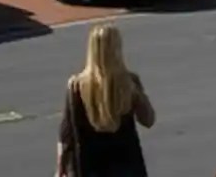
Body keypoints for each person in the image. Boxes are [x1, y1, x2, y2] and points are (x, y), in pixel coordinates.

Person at [57, 23, 154, 177]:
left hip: (89, 167)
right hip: (126, 165)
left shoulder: (76, 86)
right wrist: (137, 94)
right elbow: (148, 120)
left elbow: (66, 134)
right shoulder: (129, 82)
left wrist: (61, 168)